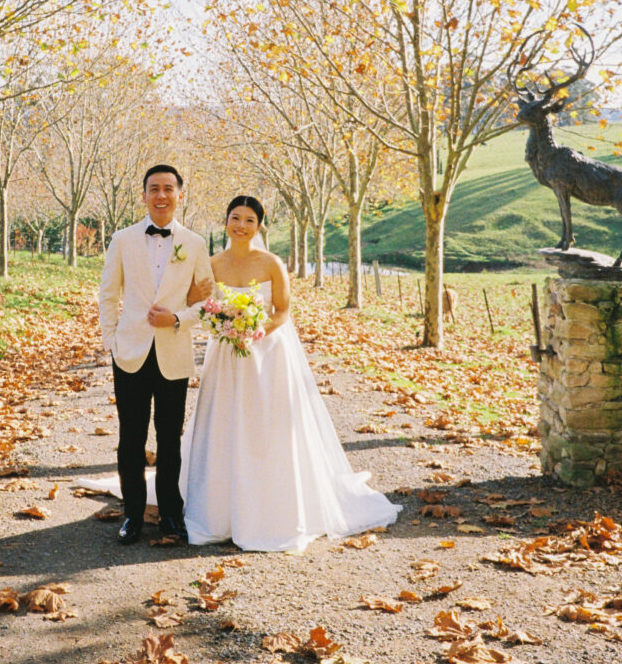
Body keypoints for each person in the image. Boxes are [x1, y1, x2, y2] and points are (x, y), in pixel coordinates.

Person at [180, 195, 400, 552]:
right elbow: (196, 301)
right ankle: (219, 509)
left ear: (259, 226)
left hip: (267, 352)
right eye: (235, 217)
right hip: (226, 354)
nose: (241, 225)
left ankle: (272, 507)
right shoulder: (212, 263)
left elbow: (282, 310)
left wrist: (256, 330)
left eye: (249, 220)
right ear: (226, 222)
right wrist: (222, 320)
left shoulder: (271, 263)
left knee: (269, 424)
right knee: (225, 421)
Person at [96, 164, 214, 545]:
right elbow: (108, 295)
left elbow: (208, 302)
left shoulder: (195, 243)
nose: (161, 195)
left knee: (169, 438)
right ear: (143, 194)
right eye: (154, 189)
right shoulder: (122, 239)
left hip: (173, 353)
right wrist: (111, 341)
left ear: (181, 194)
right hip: (129, 351)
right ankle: (132, 514)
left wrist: (177, 317)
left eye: (168, 188)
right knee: (130, 437)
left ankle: (170, 515)